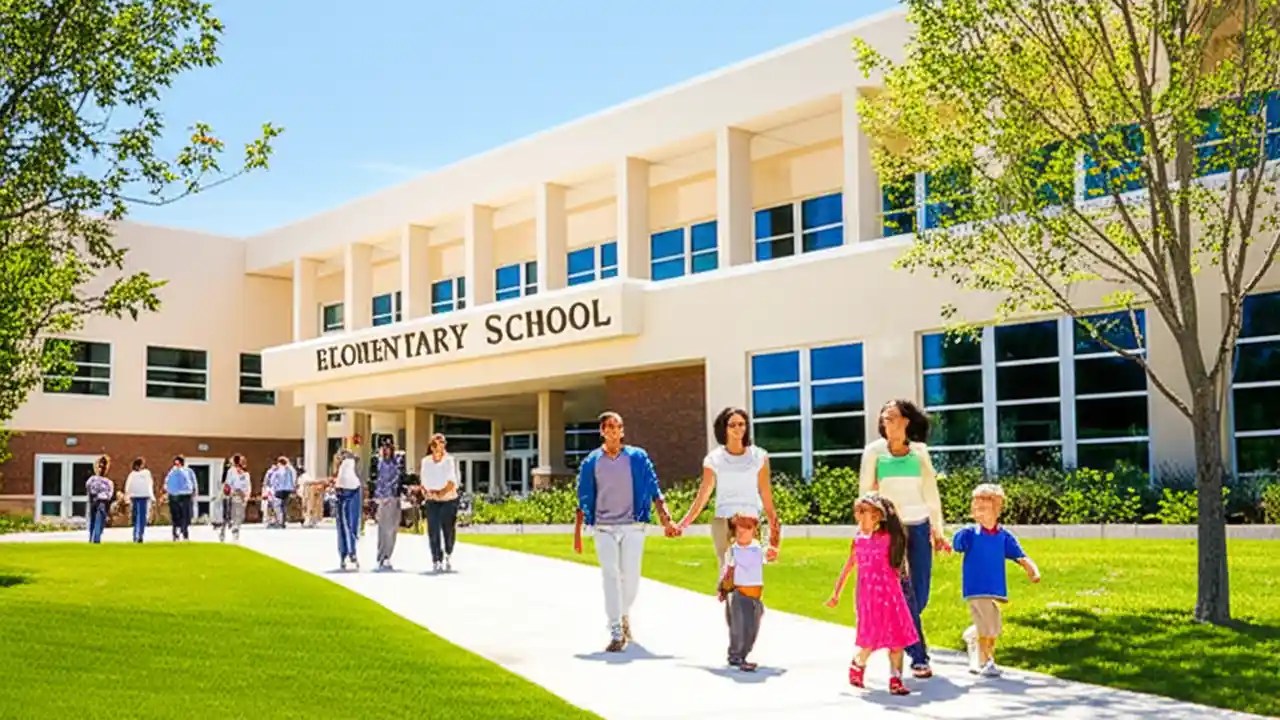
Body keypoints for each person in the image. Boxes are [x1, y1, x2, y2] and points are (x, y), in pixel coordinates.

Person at [573, 410, 680, 653]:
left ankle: (623, 615)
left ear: (622, 431)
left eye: (617, 426)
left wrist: (666, 519)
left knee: (631, 578)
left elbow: (654, 487)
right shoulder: (591, 461)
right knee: (610, 575)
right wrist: (578, 533)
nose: (612, 431)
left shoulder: (638, 457)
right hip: (603, 526)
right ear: (602, 431)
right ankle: (616, 631)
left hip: (633, 525)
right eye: (608, 427)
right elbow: (583, 496)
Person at [858, 399, 949, 679]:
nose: (888, 423)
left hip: (920, 526)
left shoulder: (919, 452)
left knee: (919, 594)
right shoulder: (874, 452)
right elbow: (865, 494)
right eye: (884, 419)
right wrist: (865, 531)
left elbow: (931, 494)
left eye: (893, 418)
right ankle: (919, 656)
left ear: (906, 421)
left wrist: (938, 530)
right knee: (904, 591)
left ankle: (899, 629)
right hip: (891, 530)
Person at [826, 492, 918, 696]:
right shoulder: (858, 540)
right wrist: (836, 593)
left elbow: (900, 562)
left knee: (897, 639)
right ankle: (858, 663)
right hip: (868, 597)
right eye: (857, 511)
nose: (858, 516)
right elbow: (848, 567)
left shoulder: (889, 539)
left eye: (863, 511)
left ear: (877, 516)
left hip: (891, 595)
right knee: (869, 639)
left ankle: (896, 678)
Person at [953, 483, 1041, 678]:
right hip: (976, 588)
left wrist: (1032, 570)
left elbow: (1020, 556)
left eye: (983, 508)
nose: (978, 513)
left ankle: (973, 636)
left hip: (994, 588)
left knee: (994, 626)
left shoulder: (1003, 536)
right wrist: (958, 536)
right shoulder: (970, 533)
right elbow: (958, 544)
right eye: (975, 509)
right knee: (988, 627)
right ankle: (986, 662)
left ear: (997, 510)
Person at [679, 406, 781, 569]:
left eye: (741, 424)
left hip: (750, 520)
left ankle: (743, 595)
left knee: (749, 573)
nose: (738, 429)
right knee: (727, 570)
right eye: (732, 425)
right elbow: (704, 494)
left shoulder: (759, 457)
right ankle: (725, 594)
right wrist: (683, 523)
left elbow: (765, 492)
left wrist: (774, 529)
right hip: (723, 520)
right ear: (723, 429)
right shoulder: (714, 459)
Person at [717, 512, 766, 672]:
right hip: (739, 594)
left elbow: (770, 555)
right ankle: (737, 656)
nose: (742, 532)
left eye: (747, 528)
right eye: (739, 529)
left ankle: (743, 654)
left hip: (756, 596)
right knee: (739, 627)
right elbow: (727, 571)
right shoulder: (733, 550)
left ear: (754, 531)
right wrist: (723, 587)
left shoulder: (758, 548)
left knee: (752, 629)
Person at [419, 433, 459, 573]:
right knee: (433, 530)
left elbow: (451, 481)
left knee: (448, 530)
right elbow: (423, 480)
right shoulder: (426, 461)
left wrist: (441, 493)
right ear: (431, 446)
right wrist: (427, 492)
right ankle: (436, 558)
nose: (438, 446)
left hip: (448, 500)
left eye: (441, 443)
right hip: (432, 501)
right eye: (435, 444)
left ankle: (448, 552)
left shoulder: (449, 460)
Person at [372, 442, 406, 571]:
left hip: (394, 498)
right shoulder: (379, 464)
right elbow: (378, 481)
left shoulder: (396, 463)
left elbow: (398, 477)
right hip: (383, 499)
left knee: (392, 529)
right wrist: (380, 497)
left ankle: (387, 555)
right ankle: (382, 556)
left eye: (388, 449)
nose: (385, 451)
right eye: (383, 449)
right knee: (383, 529)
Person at [331, 449, 363, 571]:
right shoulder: (346, 464)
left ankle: (349, 554)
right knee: (348, 525)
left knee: (348, 525)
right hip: (344, 491)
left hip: (349, 490)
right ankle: (348, 555)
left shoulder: (348, 463)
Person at [163, 455, 197, 541]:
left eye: (178, 463)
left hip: (185, 495)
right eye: (175, 463)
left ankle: (184, 533)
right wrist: (166, 492)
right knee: (176, 515)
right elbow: (167, 482)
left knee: (185, 515)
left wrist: (194, 492)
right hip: (174, 495)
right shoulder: (172, 472)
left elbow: (193, 482)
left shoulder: (188, 471)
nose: (176, 465)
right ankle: (176, 533)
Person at [220, 454, 252, 543]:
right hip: (233, 495)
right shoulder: (231, 471)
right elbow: (228, 484)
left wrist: (246, 497)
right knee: (229, 515)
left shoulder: (246, 474)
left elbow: (248, 486)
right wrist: (230, 493)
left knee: (239, 516)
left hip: (242, 496)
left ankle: (235, 533)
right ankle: (224, 531)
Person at [124, 457, 155, 543]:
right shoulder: (136, 474)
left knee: (139, 517)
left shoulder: (141, 473)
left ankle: (138, 535)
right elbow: (149, 485)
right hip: (138, 497)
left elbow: (149, 485)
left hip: (140, 497)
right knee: (139, 517)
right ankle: (138, 535)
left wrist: (151, 496)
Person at [85, 455, 114, 544]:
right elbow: (109, 494)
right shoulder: (108, 482)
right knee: (98, 520)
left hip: (96, 500)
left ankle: (92, 538)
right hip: (101, 501)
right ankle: (96, 538)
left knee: (94, 520)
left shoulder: (92, 479)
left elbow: (88, 487)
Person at [268, 456, 297, 528]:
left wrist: (273, 488)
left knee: (277, 506)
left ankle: (280, 521)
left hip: (279, 489)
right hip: (288, 490)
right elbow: (294, 478)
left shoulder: (277, 470)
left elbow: (272, 480)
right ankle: (283, 521)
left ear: (279, 463)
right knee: (284, 506)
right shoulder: (290, 470)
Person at [299, 463, 325, 528]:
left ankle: (310, 521)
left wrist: (320, 481)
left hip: (307, 494)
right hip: (305, 494)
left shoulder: (304, 476)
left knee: (309, 508)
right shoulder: (302, 477)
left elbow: (311, 482)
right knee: (306, 508)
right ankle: (309, 521)